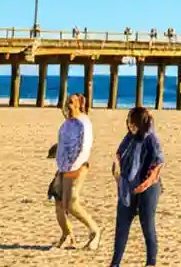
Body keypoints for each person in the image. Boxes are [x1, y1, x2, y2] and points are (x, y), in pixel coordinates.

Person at [110, 106, 165, 267]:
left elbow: (159, 163)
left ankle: (151, 263)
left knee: (147, 225)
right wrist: (117, 171)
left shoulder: (151, 139)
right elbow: (119, 155)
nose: (127, 123)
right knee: (122, 226)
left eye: (130, 120)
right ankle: (115, 263)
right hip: (128, 186)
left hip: (148, 188)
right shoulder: (129, 138)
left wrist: (146, 183)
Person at [53, 93, 101, 250]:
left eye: (72, 102)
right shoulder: (66, 123)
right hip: (62, 168)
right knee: (59, 203)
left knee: (71, 203)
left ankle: (95, 230)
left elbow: (83, 148)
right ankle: (67, 235)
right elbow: (62, 144)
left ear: (80, 103)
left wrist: (73, 167)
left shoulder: (83, 123)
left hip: (77, 167)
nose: (69, 105)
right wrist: (59, 163)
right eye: (68, 102)